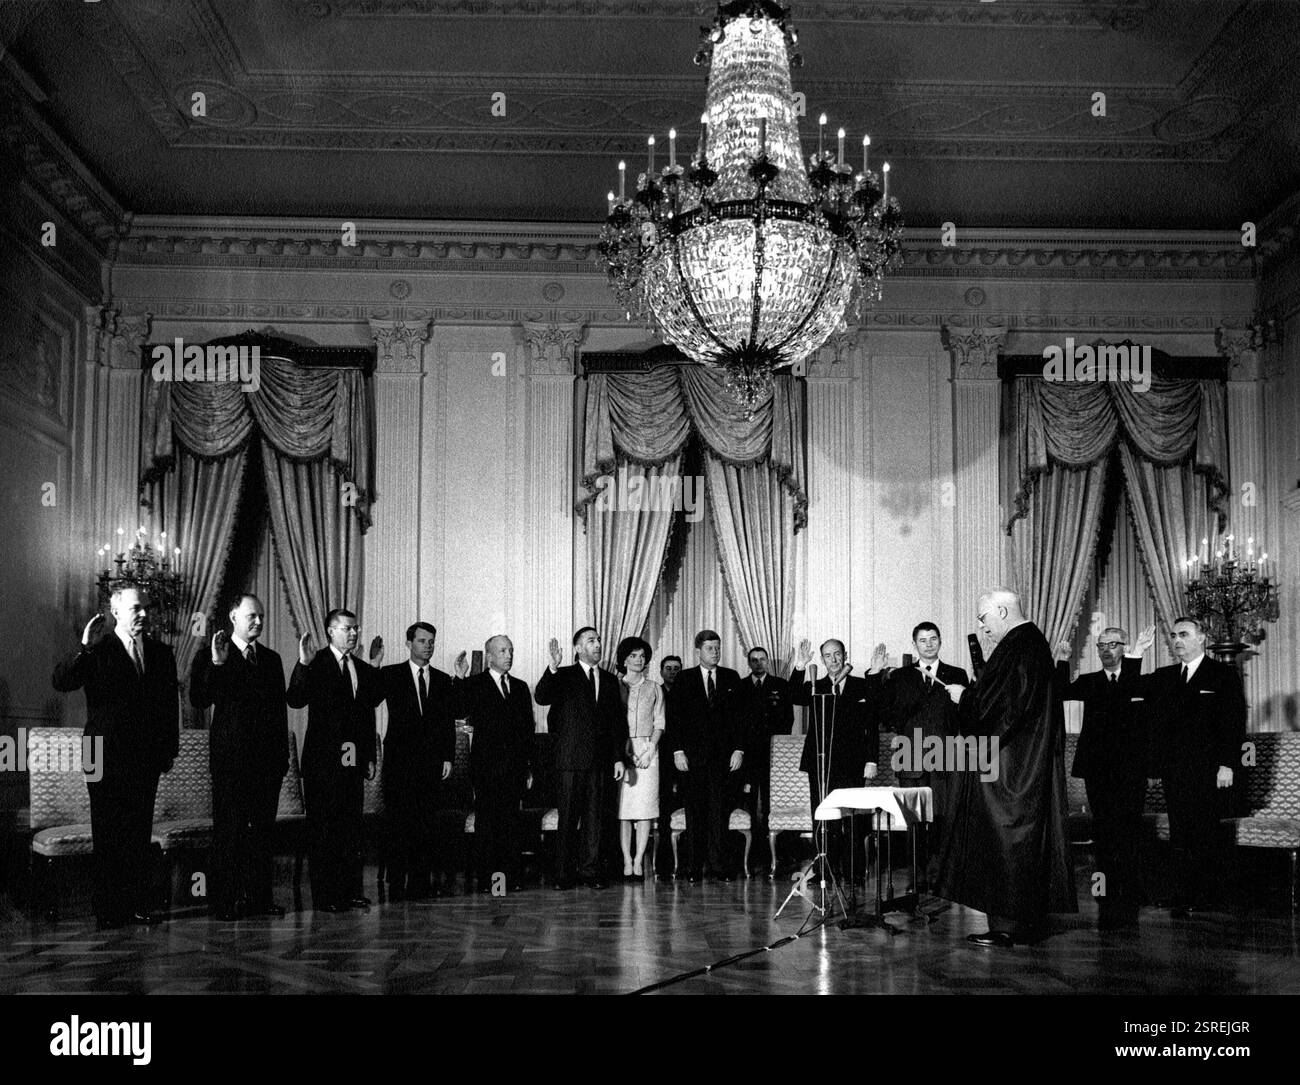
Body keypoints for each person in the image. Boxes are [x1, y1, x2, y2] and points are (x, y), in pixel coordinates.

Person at [939, 588, 1077, 947]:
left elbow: (999, 708)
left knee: (1004, 838)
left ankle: (1006, 927)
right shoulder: (1029, 644)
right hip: (1020, 759)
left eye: (984, 619)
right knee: (1018, 841)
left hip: (1011, 766)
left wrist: (964, 697)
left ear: (1002, 611)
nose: (982, 628)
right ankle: (1020, 923)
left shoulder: (1020, 645)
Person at [52, 587, 179, 928]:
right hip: (101, 755)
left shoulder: (161, 653)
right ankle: (108, 910)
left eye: (145, 609)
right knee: (108, 833)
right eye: (136, 608)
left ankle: (137, 905)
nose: (143, 614)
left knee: (138, 833)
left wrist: (169, 749)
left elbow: (170, 707)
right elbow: (61, 681)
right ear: (116, 611)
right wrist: (83, 647)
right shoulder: (97, 648)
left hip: (145, 758)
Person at [189, 593, 288, 919]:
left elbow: (279, 714)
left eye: (261, 616)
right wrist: (218, 663)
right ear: (233, 617)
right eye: (252, 616)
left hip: (266, 765)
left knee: (262, 835)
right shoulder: (210, 654)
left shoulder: (271, 660)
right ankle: (223, 903)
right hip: (230, 763)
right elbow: (200, 699)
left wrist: (282, 759)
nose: (258, 621)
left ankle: (260, 900)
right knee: (228, 834)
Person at [1143, 616, 1246, 917]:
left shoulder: (1222, 675)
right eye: (1173, 635)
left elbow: (1234, 723)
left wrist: (1228, 765)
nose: (1177, 640)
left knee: (1204, 833)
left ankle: (1204, 896)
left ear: (1202, 638)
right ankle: (1181, 894)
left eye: (1184, 634)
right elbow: (1139, 702)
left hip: (1210, 770)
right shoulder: (1165, 676)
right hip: (1175, 771)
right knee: (1180, 834)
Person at [1054, 624, 1154, 930]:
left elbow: (1127, 689)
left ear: (1124, 647)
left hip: (1131, 769)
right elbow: (1059, 692)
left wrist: (1138, 654)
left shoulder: (1139, 680)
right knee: (1105, 829)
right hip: (1097, 769)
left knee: (1130, 828)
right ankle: (1105, 888)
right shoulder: (1090, 681)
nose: (1106, 649)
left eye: (1112, 644)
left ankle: (1131, 889)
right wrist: (1062, 660)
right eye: (1101, 645)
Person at [286, 608, 383, 913]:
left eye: (355, 629)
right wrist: (302, 662)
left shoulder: (361, 668)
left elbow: (367, 713)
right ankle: (325, 896)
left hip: (352, 761)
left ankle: (351, 892)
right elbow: (295, 699)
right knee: (324, 831)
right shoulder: (315, 662)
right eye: (346, 629)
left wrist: (368, 756)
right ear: (330, 631)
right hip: (322, 763)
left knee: (350, 829)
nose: (353, 634)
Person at [789, 637, 889, 885]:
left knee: (851, 818)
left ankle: (853, 872)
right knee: (822, 816)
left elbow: (874, 718)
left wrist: (871, 760)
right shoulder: (816, 684)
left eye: (837, 654)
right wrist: (800, 665)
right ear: (822, 659)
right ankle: (825, 870)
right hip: (819, 762)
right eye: (827, 656)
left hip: (852, 763)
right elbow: (793, 696)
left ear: (845, 655)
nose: (833, 660)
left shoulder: (860, 685)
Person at [535, 627, 626, 889]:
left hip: (599, 763)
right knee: (568, 820)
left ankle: (590, 872)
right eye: (591, 641)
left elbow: (615, 724)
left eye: (598, 640)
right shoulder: (562, 675)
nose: (597, 644)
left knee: (594, 821)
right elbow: (541, 697)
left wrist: (618, 758)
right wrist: (552, 667)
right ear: (577, 649)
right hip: (569, 762)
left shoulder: (609, 680)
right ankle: (563, 875)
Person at [882, 623, 969, 885]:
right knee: (915, 821)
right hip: (910, 757)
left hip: (945, 757)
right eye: (923, 640)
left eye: (933, 639)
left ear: (940, 641)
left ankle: (940, 877)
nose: (929, 644)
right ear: (915, 645)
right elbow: (887, 714)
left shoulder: (957, 674)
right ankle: (917, 878)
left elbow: (964, 716)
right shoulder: (901, 676)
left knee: (942, 819)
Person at [376, 622, 455, 901]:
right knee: (398, 825)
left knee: (425, 825)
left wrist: (448, 756)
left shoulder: (444, 680)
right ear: (409, 644)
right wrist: (374, 665)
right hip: (399, 763)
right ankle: (396, 884)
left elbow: (448, 722)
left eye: (431, 641)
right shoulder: (390, 674)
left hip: (431, 764)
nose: (428, 646)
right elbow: (369, 699)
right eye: (422, 641)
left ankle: (420, 884)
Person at [453, 635, 534, 892]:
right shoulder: (474, 684)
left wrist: (528, 766)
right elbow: (457, 710)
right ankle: (492, 880)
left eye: (511, 650)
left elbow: (527, 730)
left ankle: (510, 878)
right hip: (486, 769)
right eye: (502, 651)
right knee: (488, 825)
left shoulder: (520, 687)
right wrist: (459, 678)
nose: (509, 655)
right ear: (489, 656)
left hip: (515, 769)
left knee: (511, 824)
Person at [666, 630, 745, 882]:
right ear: (698, 651)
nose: (715, 652)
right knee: (695, 813)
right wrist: (677, 751)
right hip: (692, 760)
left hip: (724, 760)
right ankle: (694, 868)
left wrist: (739, 749)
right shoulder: (684, 679)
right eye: (710, 648)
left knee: (719, 814)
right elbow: (674, 718)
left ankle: (718, 867)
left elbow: (741, 719)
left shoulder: (732, 677)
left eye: (718, 648)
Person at [735, 646, 793, 875]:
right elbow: (736, 720)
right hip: (748, 755)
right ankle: (753, 852)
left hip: (773, 753)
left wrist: (779, 746)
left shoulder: (780, 685)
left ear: (768, 661)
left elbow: (787, 718)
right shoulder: (740, 686)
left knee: (773, 802)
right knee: (748, 803)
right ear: (749, 663)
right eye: (754, 660)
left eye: (762, 659)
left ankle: (777, 853)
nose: (758, 663)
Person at [615, 636, 665, 879]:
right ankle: (626, 860)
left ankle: (638, 861)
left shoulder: (655, 687)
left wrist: (650, 749)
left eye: (642, 656)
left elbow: (660, 722)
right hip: (620, 750)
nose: (638, 660)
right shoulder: (614, 686)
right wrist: (621, 751)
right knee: (624, 810)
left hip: (648, 750)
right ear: (624, 659)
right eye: (633, 655)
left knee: (644, 809)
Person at [654, 655, 684, 877]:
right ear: (661, 671)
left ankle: (683, 857)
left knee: (685, 803)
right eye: (668, 668)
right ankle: (664, 858)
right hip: (661, 757)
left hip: (684, 758)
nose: (672, 672)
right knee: (663, 806)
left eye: (676, 668)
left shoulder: (688, 690)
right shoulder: (656, 692)